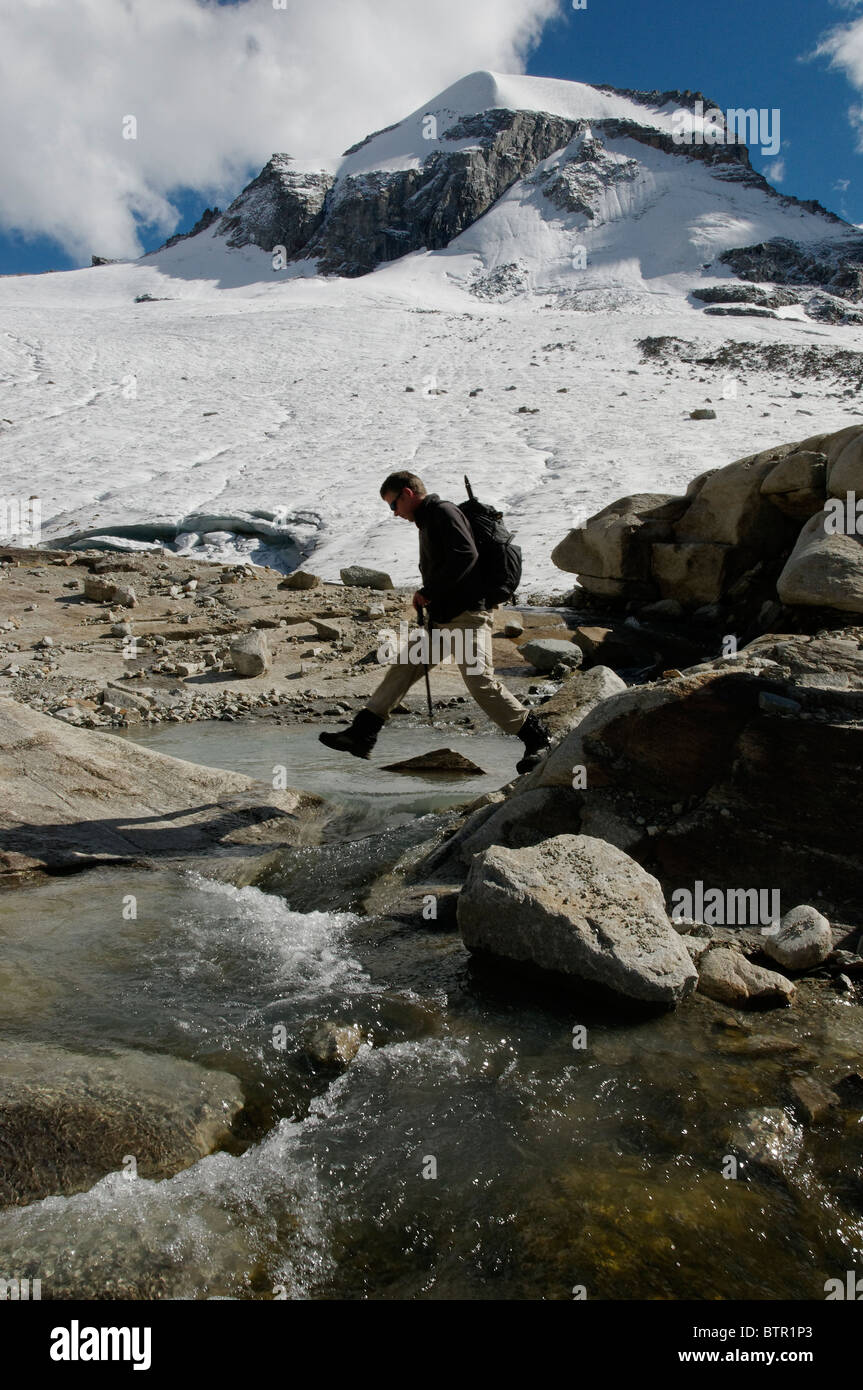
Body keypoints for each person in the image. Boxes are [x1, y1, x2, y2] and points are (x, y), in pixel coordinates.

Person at [318, 471, 552, 774]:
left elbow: (465, 555)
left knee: (480, 682)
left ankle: (538, 739)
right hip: (444, 619)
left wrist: (428, 591)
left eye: (393, 505)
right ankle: (362, 734)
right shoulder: (430, 518)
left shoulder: (443, 512)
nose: (394, 513)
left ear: (407, 493)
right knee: (404, 667)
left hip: (467, 617)